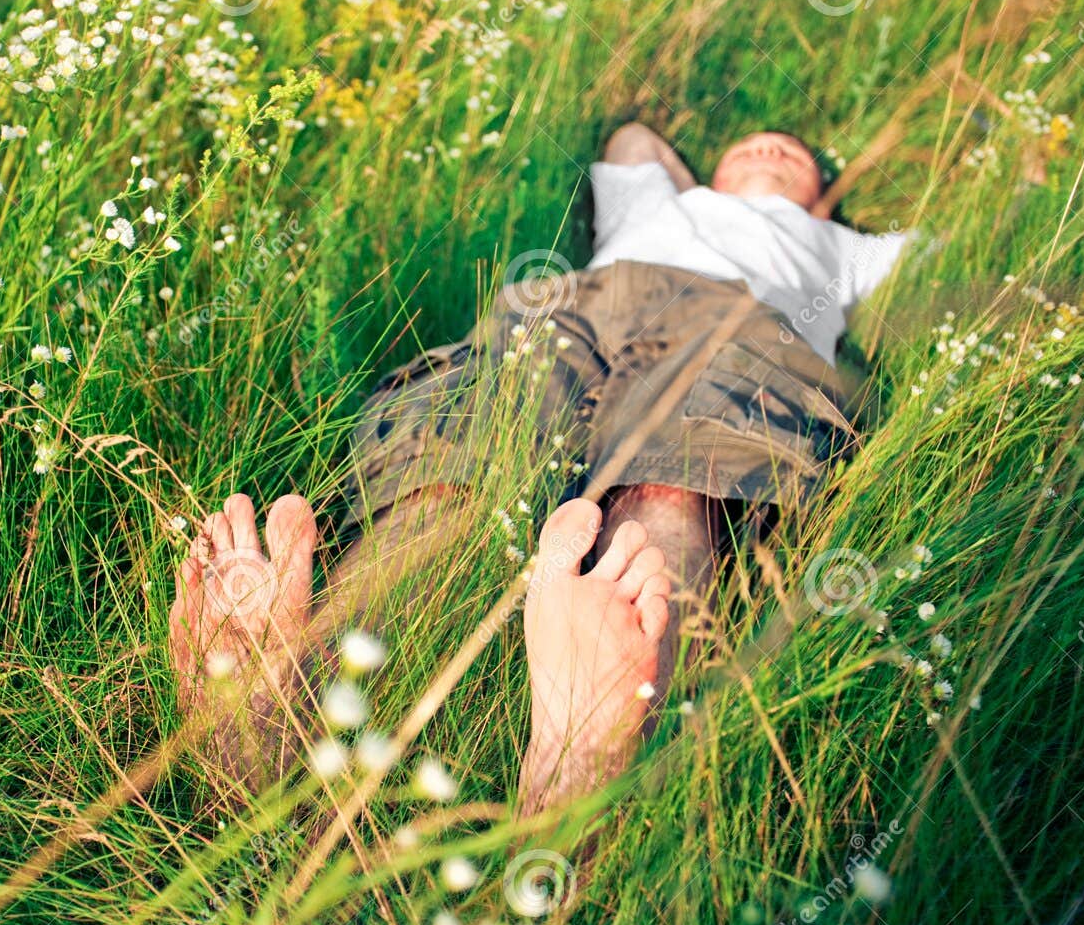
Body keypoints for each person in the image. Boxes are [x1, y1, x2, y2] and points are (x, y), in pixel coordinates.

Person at [168, 122, 910, 812]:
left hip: (741, 320)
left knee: (677, 494)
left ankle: (591, 749)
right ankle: (274, 698)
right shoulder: (658, 200)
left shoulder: (842, 247)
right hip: (577, 303)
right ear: (704, 172)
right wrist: (698, 188)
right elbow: (634, 139)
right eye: (753, 143)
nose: (772, 151)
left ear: (828, 196)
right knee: (451, 466)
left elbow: (962, 246)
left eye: (795, 156)